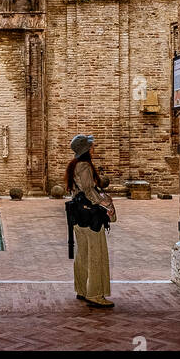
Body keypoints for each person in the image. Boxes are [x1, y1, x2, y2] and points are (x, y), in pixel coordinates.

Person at [66, 132, 115, 308]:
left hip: (78, 217)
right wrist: (105, 204)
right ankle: (95, 294)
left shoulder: (74, 165)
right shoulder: (85, 166)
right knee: (96, 255)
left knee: (83, 254)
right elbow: (89, 191)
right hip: (90, 216)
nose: (93, 148)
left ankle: (82, 289)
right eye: (91, 145)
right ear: (86, 149)